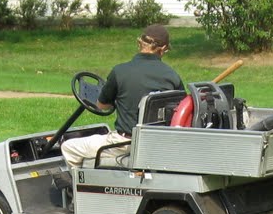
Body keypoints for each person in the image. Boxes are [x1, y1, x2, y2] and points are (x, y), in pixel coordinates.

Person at [60, 24, 182, 171]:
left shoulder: (120, 71)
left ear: (139, 43)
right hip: (156, 144)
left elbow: (102, 105)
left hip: (123, 144)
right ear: (163, 50)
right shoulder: (172, 76)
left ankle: (76, 189)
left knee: (68, 147)